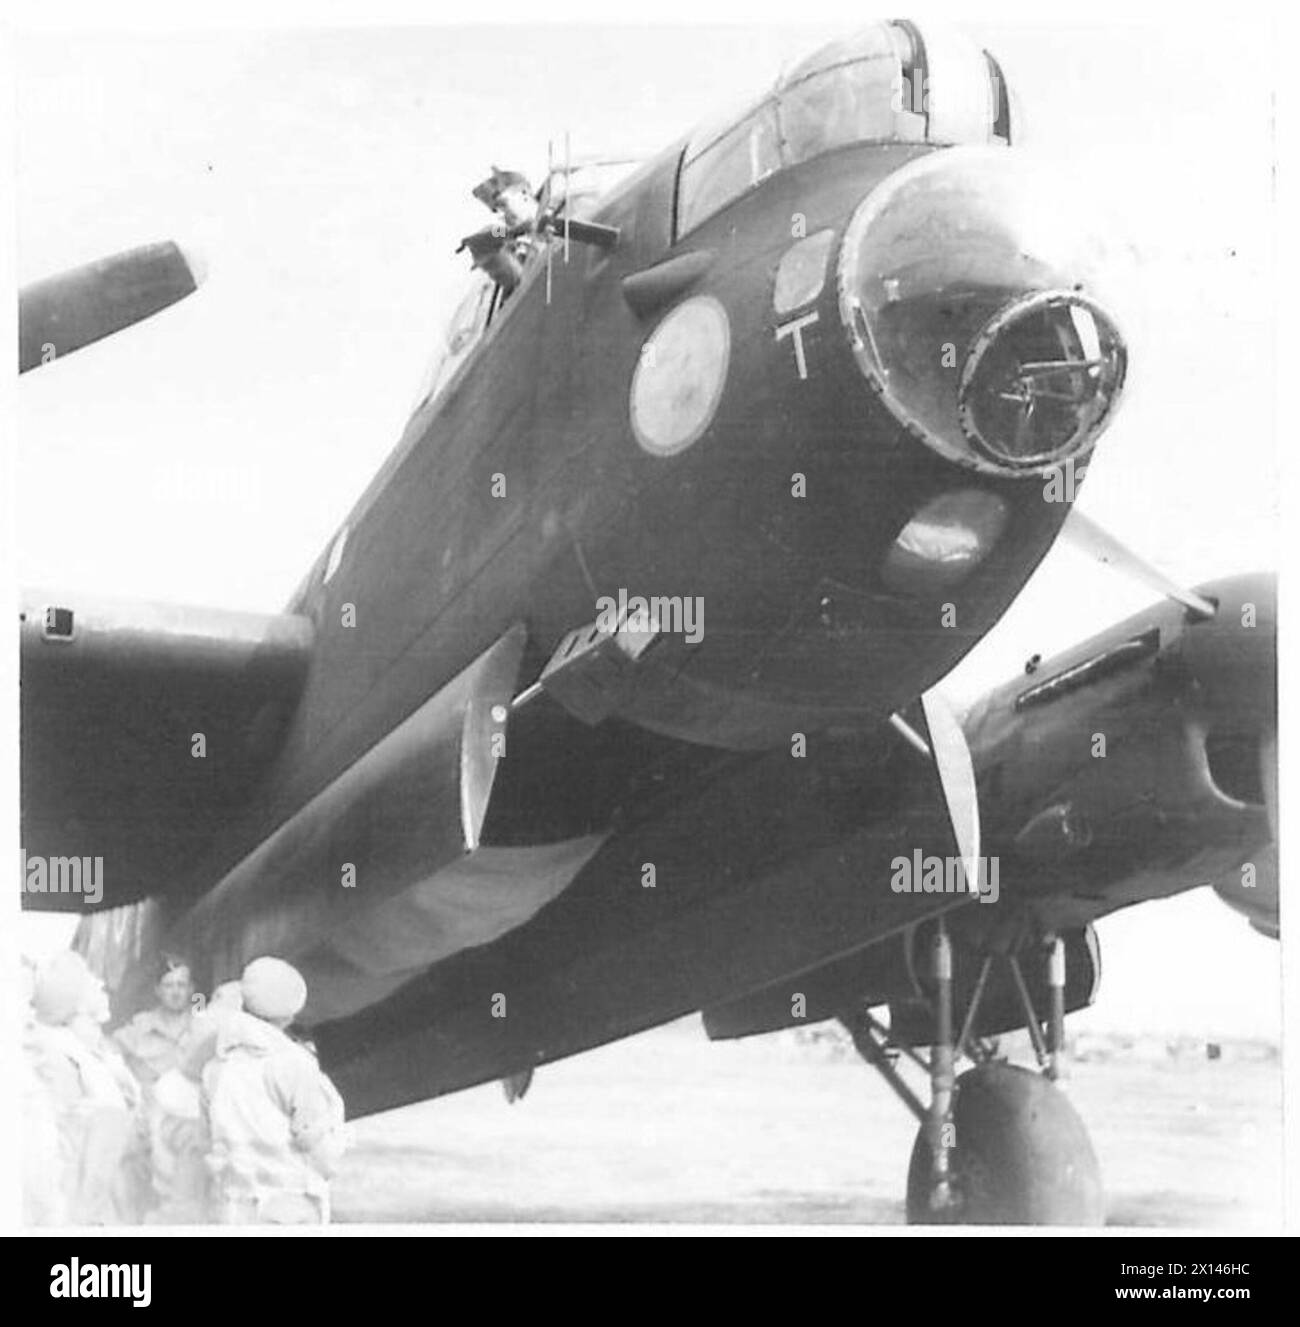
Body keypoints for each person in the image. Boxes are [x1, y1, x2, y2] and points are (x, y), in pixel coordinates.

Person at [202, 957, 350, 1224]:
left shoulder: (215, 1067)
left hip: (233, 1201)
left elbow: (208, 1130)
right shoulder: (294, 1062)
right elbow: (312, 1138)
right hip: (288, 1201)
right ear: (290, 1012)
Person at [27, 950, 148, 1224]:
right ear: (74, 999)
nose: (101, 984)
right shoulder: (55, 1054)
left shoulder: (97, 1048)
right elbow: (63, 1150)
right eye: (90, 979)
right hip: (83, 1209)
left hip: (117, 1194)